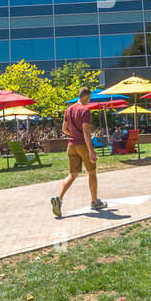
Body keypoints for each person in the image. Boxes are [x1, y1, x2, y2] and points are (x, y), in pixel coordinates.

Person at [52, 87, 104, 217]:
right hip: (83, 145)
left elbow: (64, 129)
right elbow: (86, 133)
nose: (89, 100)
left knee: (73, 174)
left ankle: (59, 198)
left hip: (71, 146)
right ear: (86, 96)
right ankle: (94, 202)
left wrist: (74, 135)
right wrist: (91, 151)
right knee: (92, 172)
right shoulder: (85, 111)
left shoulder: (69, 109)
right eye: (89, 98)